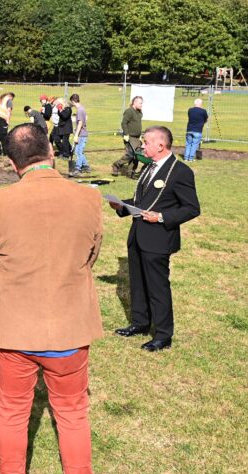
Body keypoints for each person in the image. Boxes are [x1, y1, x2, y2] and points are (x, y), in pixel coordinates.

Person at [0, 124, 107, 474]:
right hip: (69, 327)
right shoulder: (88, 198)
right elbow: (92, 253)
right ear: (52, 152)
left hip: (14, 328)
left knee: (13, 411)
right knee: (72, 414)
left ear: (13, 164)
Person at [110, 126, 201, 352]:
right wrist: (122, 206)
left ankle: (163, 335)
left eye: (146, 142)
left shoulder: (180, 172)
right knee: (138, 282)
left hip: (158, 239)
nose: (142, 146)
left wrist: (162, 217)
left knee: (158, 287)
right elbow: (144, 200)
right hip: (138, 236)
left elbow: (191, 208)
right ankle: (140, 323)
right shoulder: (149, 167)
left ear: (161, 145)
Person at [111, 96, 144, 177]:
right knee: (130, 154)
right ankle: (116, 165)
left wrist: (140, 135)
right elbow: (124, 123)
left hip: (137, 137)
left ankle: (130, 172)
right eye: (140, 103)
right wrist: (126, 134)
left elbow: (138, 124)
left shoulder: (139, 112)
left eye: (142, 103)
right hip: (130, 137)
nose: (141, 105)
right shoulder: (129, 111)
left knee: (136, 156)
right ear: (134, 102)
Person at [70, 93, 90, 176]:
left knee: (78, 152)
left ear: (73, 101)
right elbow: (85, 118)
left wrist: (76, 135)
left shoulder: (80, 110)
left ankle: (77, 168)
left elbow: (80, 123)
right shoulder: (82, 109)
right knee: (80, 151)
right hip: (81, 134)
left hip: (81, 135)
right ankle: (86, 166)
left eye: (71, 102)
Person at [0, 92, 15, 156]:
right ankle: (5, 153)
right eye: (13, 99)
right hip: (1, 119)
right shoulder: (8, 100)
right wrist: (8, 121)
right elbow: (9, 111)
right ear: (11, 97)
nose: (12, 100)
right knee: (4, 137)